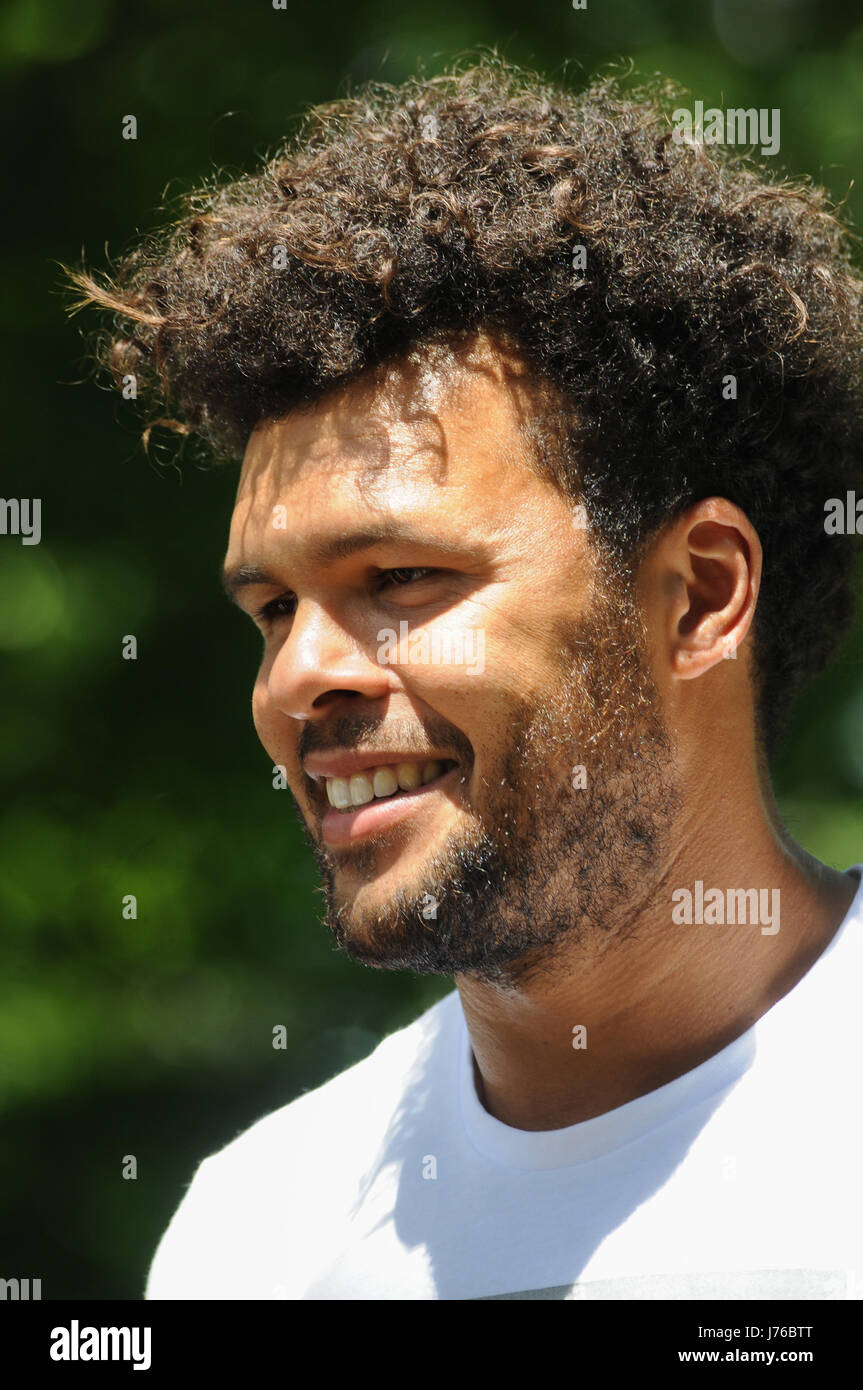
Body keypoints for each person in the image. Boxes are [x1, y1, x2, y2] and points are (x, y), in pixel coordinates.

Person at [66, 55, 863, 1300]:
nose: (296, 681)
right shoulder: (254, 1235)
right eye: (272, 609)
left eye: (401, 578)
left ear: (700, 593)